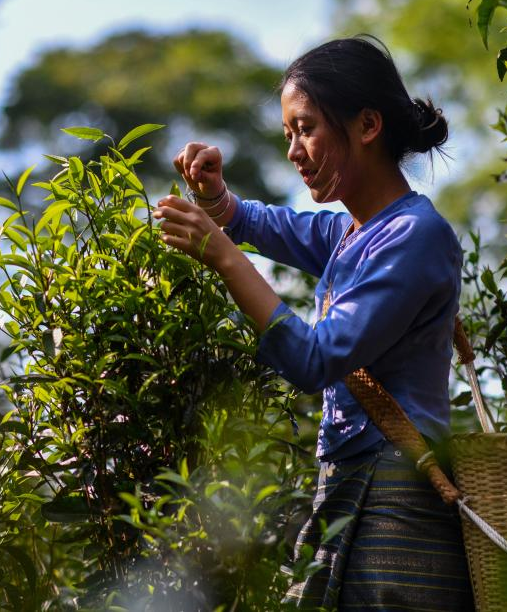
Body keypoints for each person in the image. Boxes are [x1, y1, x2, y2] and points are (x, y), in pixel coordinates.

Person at [151, 35, 475, 611]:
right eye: (288, 136)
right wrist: (217, 199)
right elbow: (267, 224)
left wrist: (223, 254)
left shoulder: (415, 237)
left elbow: (315, 358)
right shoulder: (351, 233)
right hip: (352, 483)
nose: (294, 151)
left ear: (368, 125)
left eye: (306, 129)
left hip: (398, 500)